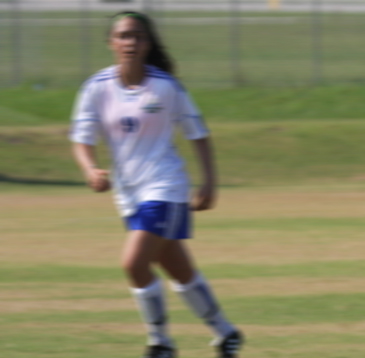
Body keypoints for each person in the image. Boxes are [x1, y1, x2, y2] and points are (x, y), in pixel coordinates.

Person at [69, 11, 243, 358]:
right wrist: (90, 169)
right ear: (111, 42)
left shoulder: (165, 87)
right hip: (129, 195)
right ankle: (226, 333)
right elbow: (81, 138)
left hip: (166, 188)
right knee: (178, 269)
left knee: (133, 264)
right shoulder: (96, 88)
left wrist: (209, 182)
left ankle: (160, 342)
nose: (130, 42)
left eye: (138, 36)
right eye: (123, 36)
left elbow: (199, 135)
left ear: (148, 44)